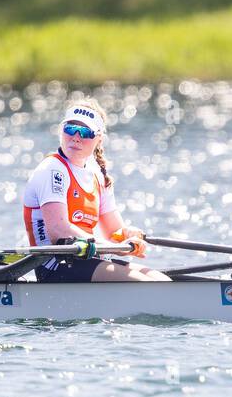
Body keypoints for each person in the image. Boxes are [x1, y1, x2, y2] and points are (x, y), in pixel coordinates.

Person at [21, 100, 168, 282]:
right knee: (147, 285)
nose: (75, 137)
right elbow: (59, 231)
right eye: (70, 129)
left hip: (87, 259)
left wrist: (128, 234)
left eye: (85, 132)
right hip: (53, 264)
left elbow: (114, 232)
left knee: (160, 281)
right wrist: (108, 246)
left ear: (99, 139)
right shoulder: (53, 169)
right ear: (61, 130)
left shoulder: (98, 175)